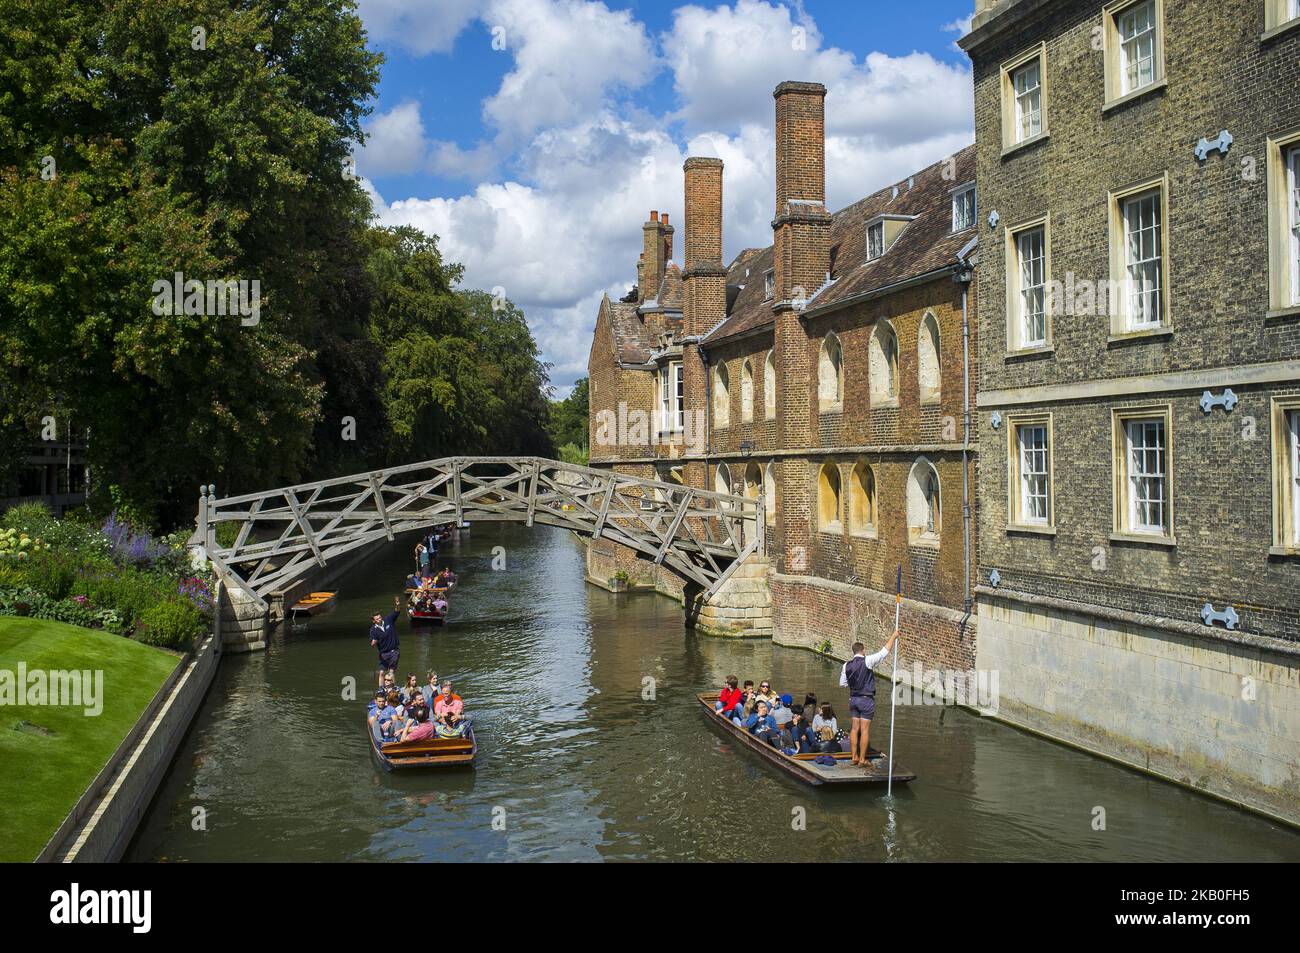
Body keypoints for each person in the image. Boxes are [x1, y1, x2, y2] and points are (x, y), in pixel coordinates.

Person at [839, 630, 900, 766]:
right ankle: (862, 759)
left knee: (854, 729)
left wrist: (854, 684)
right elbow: (884, 652)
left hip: (853, 699)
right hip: (866, 699)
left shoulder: (846, 665)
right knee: (865, 730)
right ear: (863, 650)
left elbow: (842, 684)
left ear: (853, 652)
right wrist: (893, 636)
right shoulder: (867, 661)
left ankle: (854, 757)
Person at [369, 597, 402, 680]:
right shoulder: (373, 630)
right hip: (383, 653)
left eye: (380, 617)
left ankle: (393, 689)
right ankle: (381, 689)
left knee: (391, 672)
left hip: (394, 651)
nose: (379, 619)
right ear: (373, 621)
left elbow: (396, 611)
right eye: (377, 619)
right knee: (382, 672)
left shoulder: (388, 619)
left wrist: (397, 605)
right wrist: (373, 642)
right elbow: (372, 642)